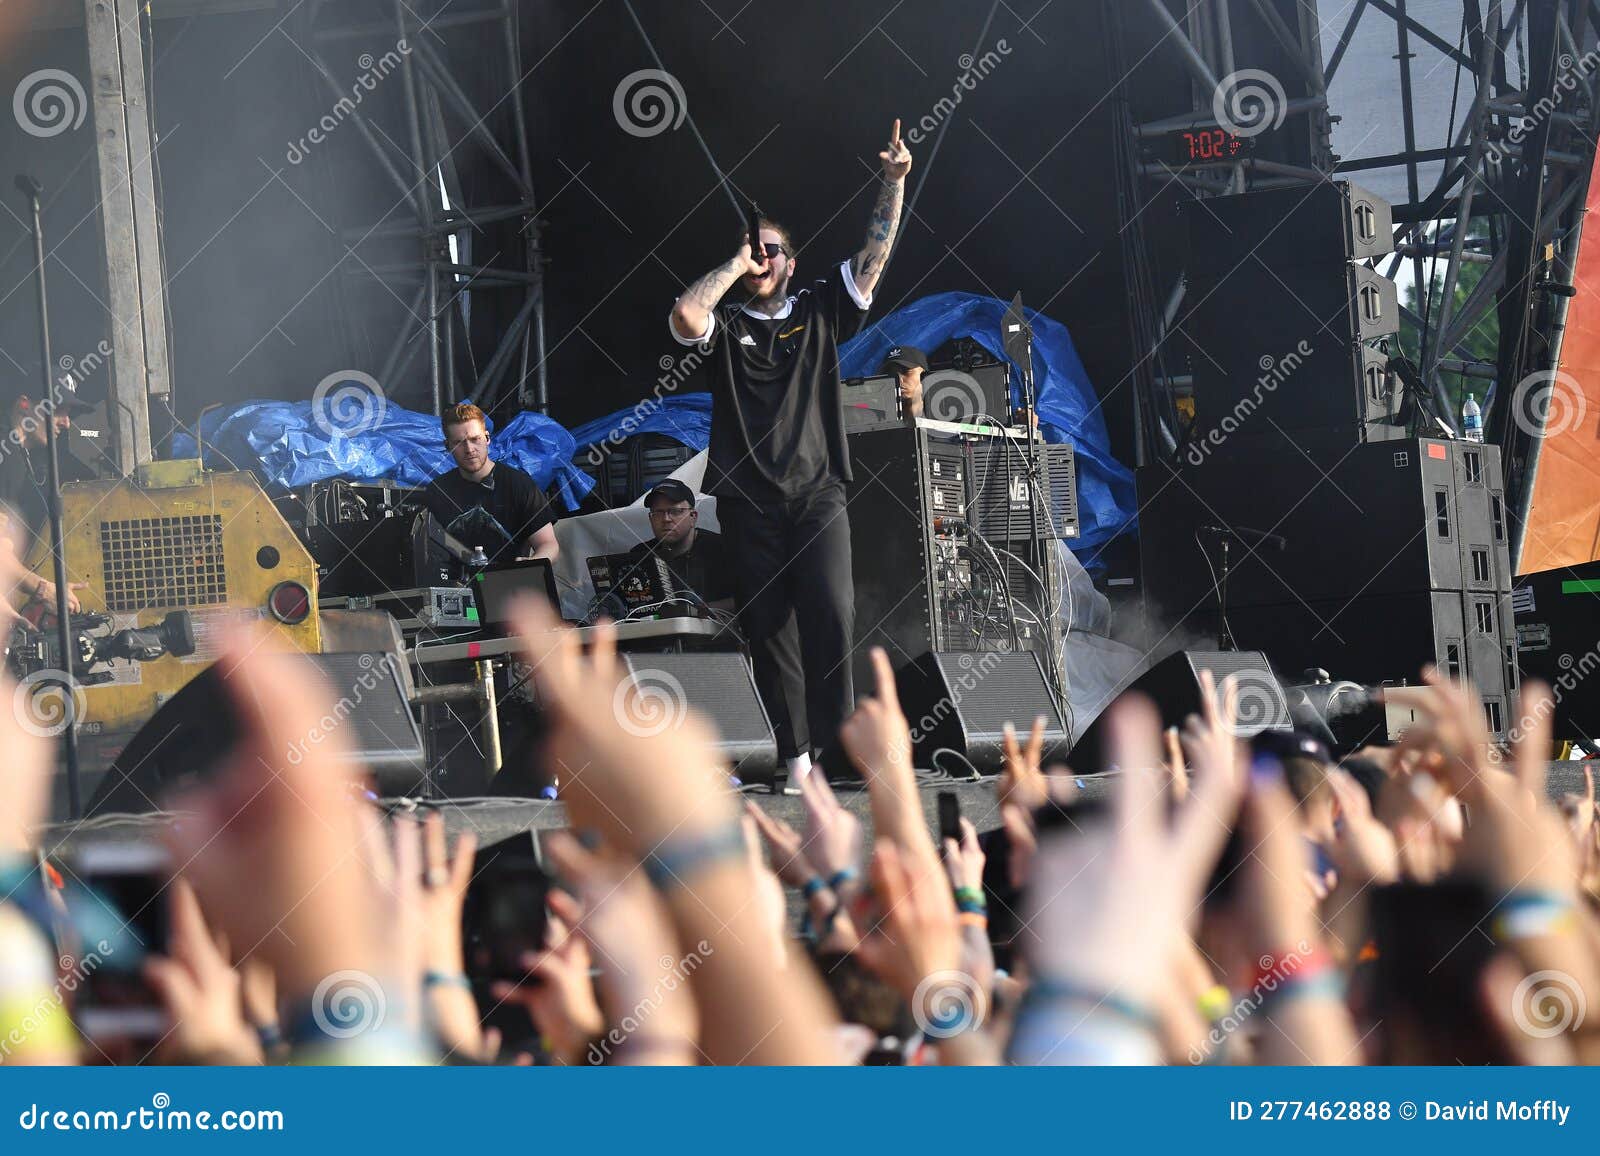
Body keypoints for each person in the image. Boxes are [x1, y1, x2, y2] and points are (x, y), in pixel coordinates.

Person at [667, 118, 912, 781]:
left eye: (772, 249)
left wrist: (893, 185)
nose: (763, 258)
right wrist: (734, 263)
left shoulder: (821, 307)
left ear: (794, 260)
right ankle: (796, 757)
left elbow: (874, 257)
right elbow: (686, 316)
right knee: (770, 629)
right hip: (750, 501)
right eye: (755, 251)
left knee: (832, 614)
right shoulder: (727, 326)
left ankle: (838, 751)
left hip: (818, 493)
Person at [421, 402, 558, 568]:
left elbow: (548, 544)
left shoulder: (519, 485)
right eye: (459, 442)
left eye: (475, 439)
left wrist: (531, 565)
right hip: (455, 588)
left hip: (510, 583)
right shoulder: (437, 492)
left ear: (487, 438)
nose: (469, 449)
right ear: (447, 446)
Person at [0, 390, 92, 615]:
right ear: (24, 404)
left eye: (69, 413)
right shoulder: (6, 455)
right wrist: (45, 590)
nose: (67, 422)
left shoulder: (18, 456)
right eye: (58, 410)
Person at [621, 478, 735, 613]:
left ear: (693, 516)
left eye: (675, 511)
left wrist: (701, 610)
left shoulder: (722, 549)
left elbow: (749, 598)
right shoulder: (640, 555)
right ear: (651, 519)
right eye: (658, 513)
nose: (666, 519)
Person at [882, 345, 926, 422]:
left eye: (906, 371)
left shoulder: (944, 417)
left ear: (924, 374)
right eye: (891, 374)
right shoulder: (872, 421)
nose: (898, 379)